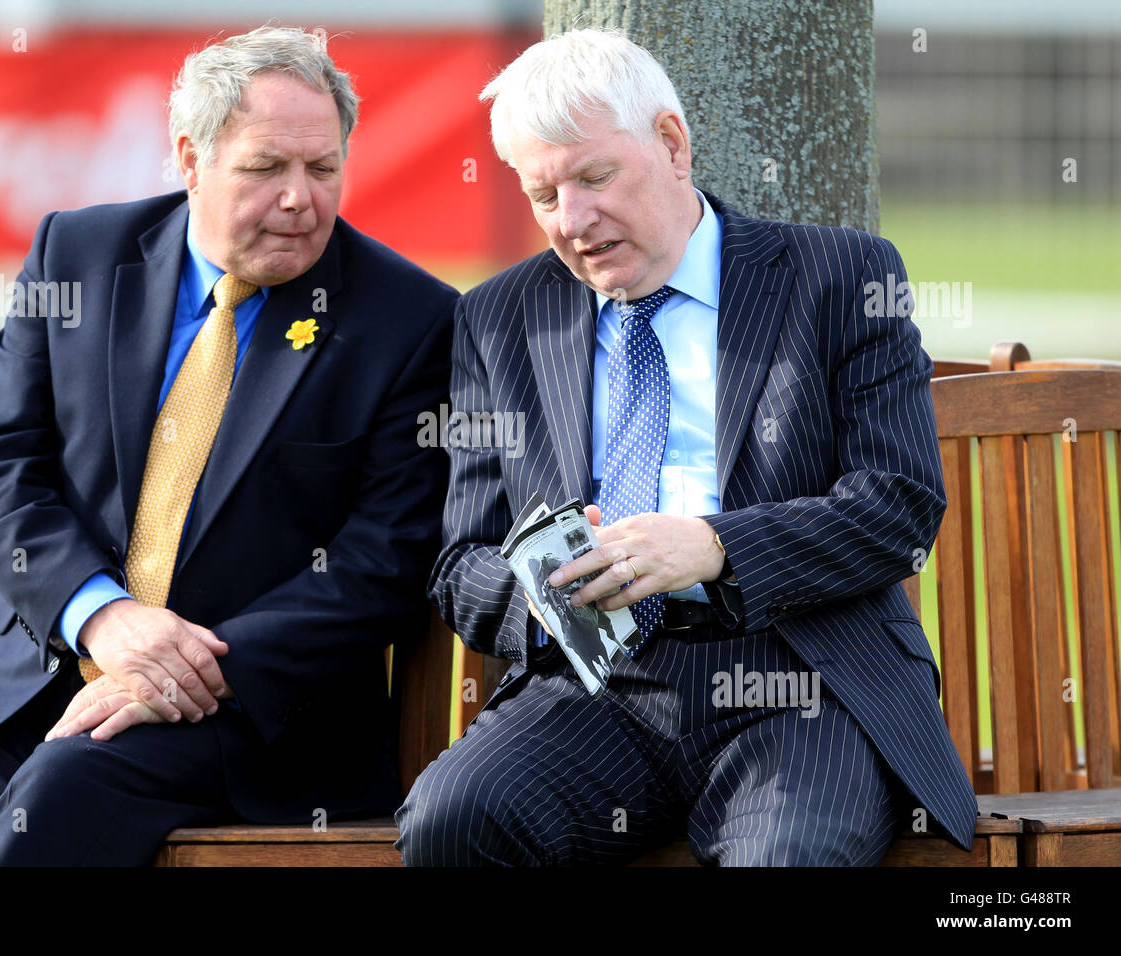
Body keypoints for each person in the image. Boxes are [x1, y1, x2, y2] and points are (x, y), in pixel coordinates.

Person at [397, 29, 977, 866]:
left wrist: (710, 545)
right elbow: (462, 561)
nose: (575, 220)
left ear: (671, 144)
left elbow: (899, 507)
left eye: (595, 177)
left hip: (799, 684)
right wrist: (560, 593)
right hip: (595, 688)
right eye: (544, 195)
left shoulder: (839, 277)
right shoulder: (500, 317)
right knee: (452, 823)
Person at [0, 26, 457, 866]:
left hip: (252, 712)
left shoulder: (408, 320)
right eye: (266, 168)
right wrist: (106, 618)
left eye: (323, 167)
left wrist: (187, 668)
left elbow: (380, 562)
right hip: (40, 665)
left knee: (61, 794)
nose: (300, 199)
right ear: (190, 159)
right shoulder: (76, 254)